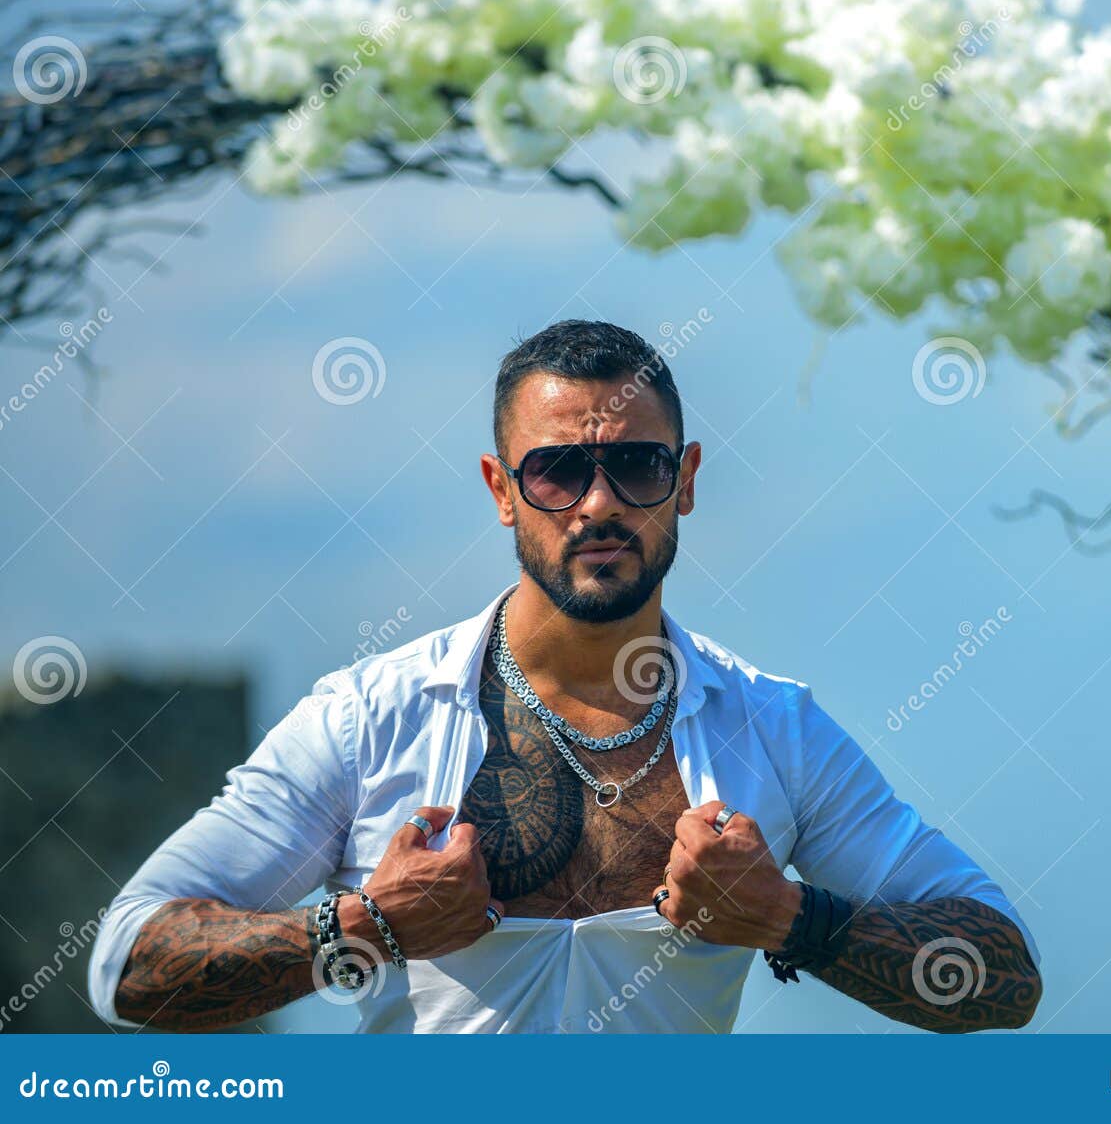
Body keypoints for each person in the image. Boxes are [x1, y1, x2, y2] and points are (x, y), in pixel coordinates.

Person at [87, 319, 1042, 1033]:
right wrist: (369, 925)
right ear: (502, 490)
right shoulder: (371, 718)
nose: (598, 504)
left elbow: (1006, 975)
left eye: (636, 464)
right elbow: (125, 965)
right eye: (554, 472)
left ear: (689, 478)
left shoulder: (771, 729)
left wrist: (789, 918)